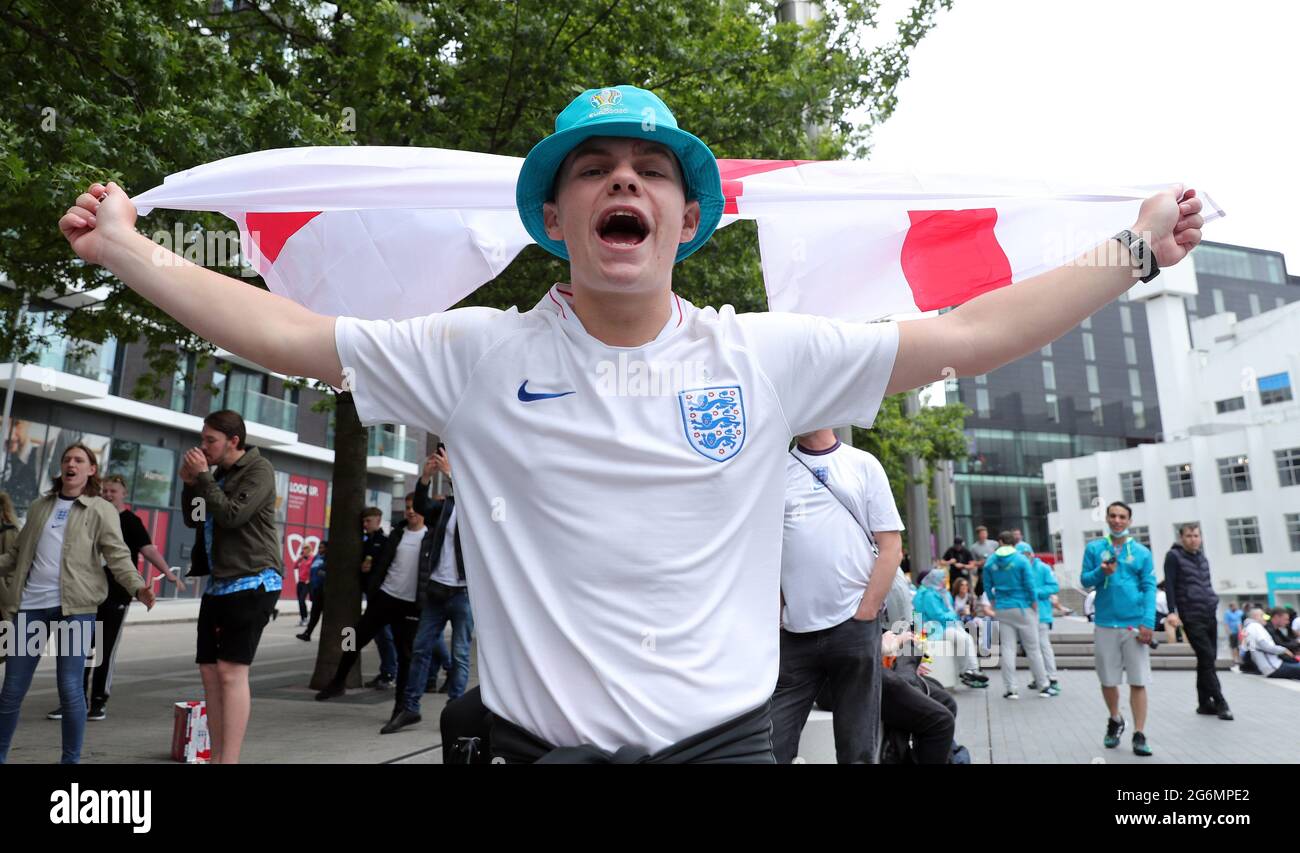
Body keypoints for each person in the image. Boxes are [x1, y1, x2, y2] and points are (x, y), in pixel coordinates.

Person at [61, 83, 1204, 761]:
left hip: (724, 753)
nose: (625, 183)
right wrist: (127, 249)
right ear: (555, 215)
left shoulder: (766, 353)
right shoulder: (476, 354)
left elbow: (967, 337)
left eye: (650, 170)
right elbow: (291, 338)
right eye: (595, 169)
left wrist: (1132, 248)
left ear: (686, 216)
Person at [0, 443, 156, 763]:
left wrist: (138, 587)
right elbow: (16, 556)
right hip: (30, 607)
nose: (71, 464)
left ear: (90, 470)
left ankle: (70, 761)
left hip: (78, 609)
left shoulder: (101, 509)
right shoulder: (40, 506)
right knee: (12, 689)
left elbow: (117, 555)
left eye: (79, 460)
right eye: (67, 459)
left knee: (70, 688)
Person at [770, 429, 905, 764]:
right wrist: (778, 615)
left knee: (857, 748)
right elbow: (767, 553)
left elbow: (891, 548)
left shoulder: (863, 464)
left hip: (853, 627)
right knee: (772, 746)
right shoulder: (776, 472)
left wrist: (866, 612)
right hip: (795, 634)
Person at [180, 410, 282, 764]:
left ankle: (229, 760)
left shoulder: (259, 470)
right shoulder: (216, 474)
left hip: (254, 578)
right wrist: (189, 482)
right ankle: (217, 757)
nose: (203, 446)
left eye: (211, 440)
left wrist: (204, 479)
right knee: (209, 672)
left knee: (230, 671)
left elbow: (232, 516)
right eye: (203, 438)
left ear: (233, 441)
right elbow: (193, 517)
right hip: (219, 582)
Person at [46, 474, 185, 723]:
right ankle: (73, 701)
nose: (108, 494)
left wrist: (167, 573)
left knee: (104, 650)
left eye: (113, 491)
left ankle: (98, 701)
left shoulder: (131, 521)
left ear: (123, 494)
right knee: (78, 650)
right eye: (105, 491)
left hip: (116, 595)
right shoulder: (91, 515)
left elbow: (148, 549)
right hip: (85, 592)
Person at [315, 494, 429, 727]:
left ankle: (400, 707)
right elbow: (381, 561)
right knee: (353, 637)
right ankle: (338, 681)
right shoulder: (397, 534)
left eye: (415, 508)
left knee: (405, 656)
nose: (410, 512)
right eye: (407, 508)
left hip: (411, 605)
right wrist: (374, 587)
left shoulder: (430, 538)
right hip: (385, 597)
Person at [386, 448, 474, 734]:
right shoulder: (446, 507)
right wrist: (425, 477)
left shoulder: (479, 508)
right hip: (437, 591)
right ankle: (410, 708)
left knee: (460, 654)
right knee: (421, 649)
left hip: (463, 594)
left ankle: (458, 711)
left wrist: (450, 473)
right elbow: (422, 506)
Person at [1081, 501, 1157, 757]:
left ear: (1129, 521)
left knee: (1138, 680)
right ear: (1106, 518)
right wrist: (1101, 572)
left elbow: (1149, 587)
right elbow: (1085, 580)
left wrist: (1148, 621)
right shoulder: (1095, 548)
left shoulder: (1141, 552)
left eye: (1122, 516)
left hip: (1133, 623)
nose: (1117, 520)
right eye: (1113, 516)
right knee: (1108, 679)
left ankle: (1140, 733)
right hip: (1105, 622)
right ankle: (1115, 719)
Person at [1162, 523, 1231, 720]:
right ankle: (1220, 702)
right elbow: (1170, 584)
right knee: (1207, 656)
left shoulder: (1202, 557)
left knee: (1207, 659)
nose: (1193, 539)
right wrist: (1172, 612)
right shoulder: (1173, 556)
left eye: (1196, 535)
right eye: (1189, 536)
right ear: (1181, 538)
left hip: (1208, 613)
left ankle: (1203, 703)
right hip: (1190, 615)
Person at [983, 531, 1049, 699]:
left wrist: (993, 602)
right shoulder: (1021, 560)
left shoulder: (990, 562)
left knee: (1007, 648)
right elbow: (1029, 584)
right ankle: (1043, 685)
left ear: (999, 541)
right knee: (1033, 648)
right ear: (1015, 543)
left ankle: (1011, 689)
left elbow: (987, 585)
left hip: (1003, 608)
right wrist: (1034, 604)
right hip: (1023, 608)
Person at [878, 630, 959, 765]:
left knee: (946, 701)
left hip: (890, 664)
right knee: (942, 721)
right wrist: (895, 643)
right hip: (871, 671)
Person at [911, 568, 987, 688]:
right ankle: (966, 671)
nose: (944, 581)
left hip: (946, 625)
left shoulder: (941, 592)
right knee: (960, 638)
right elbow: (937, 615)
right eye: (941, 578)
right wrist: (954, 615)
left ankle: (972, 669)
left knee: (967, 638)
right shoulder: (929, 595)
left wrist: (953, 616)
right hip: (935, 629)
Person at [1018, 541, 1061, 697]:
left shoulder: (1042, 568)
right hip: (1025, 613)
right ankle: (1038, 677)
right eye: (1020, 555)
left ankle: (1052, 677)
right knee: (1031, 648)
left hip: (1041, 613)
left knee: (1043, 646)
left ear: (1031, 554)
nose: (1024, 558)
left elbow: (1054, 587)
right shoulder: (1019, 570)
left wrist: (1034, 592)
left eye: (1025, 554)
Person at [1241, 608, 1300, 679]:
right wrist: (1284, 650)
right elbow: (1266, 647)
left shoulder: (1249, 628)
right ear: (1256, 616)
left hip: (1268, 667)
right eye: (1263, 615)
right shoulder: (1255, 627)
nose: (1266, 618)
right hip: (1274, 667)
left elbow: (1252, 651)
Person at [297, 541, 328, 641]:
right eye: (319, 547)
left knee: (323, 614)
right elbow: (311, 572)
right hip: (315, 589)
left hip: (324, 590)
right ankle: (307, 634)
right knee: (314, 613)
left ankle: (315, 634)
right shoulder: (316, 558)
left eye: (322, 548)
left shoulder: (327, 558)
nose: (320, 549)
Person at [291, 540, 316, 627]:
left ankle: (306, 618)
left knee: (302, 599)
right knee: (300, 601)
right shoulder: (302, 558)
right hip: (300, 582)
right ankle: (303, 618)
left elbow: (313, 570)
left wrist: (309, 579)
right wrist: (300, 558)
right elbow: (294, 567)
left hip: (307, 582)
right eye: (302, 549)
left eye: (305, 548)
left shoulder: (312, 558)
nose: (303, 550)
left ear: (309, 549)